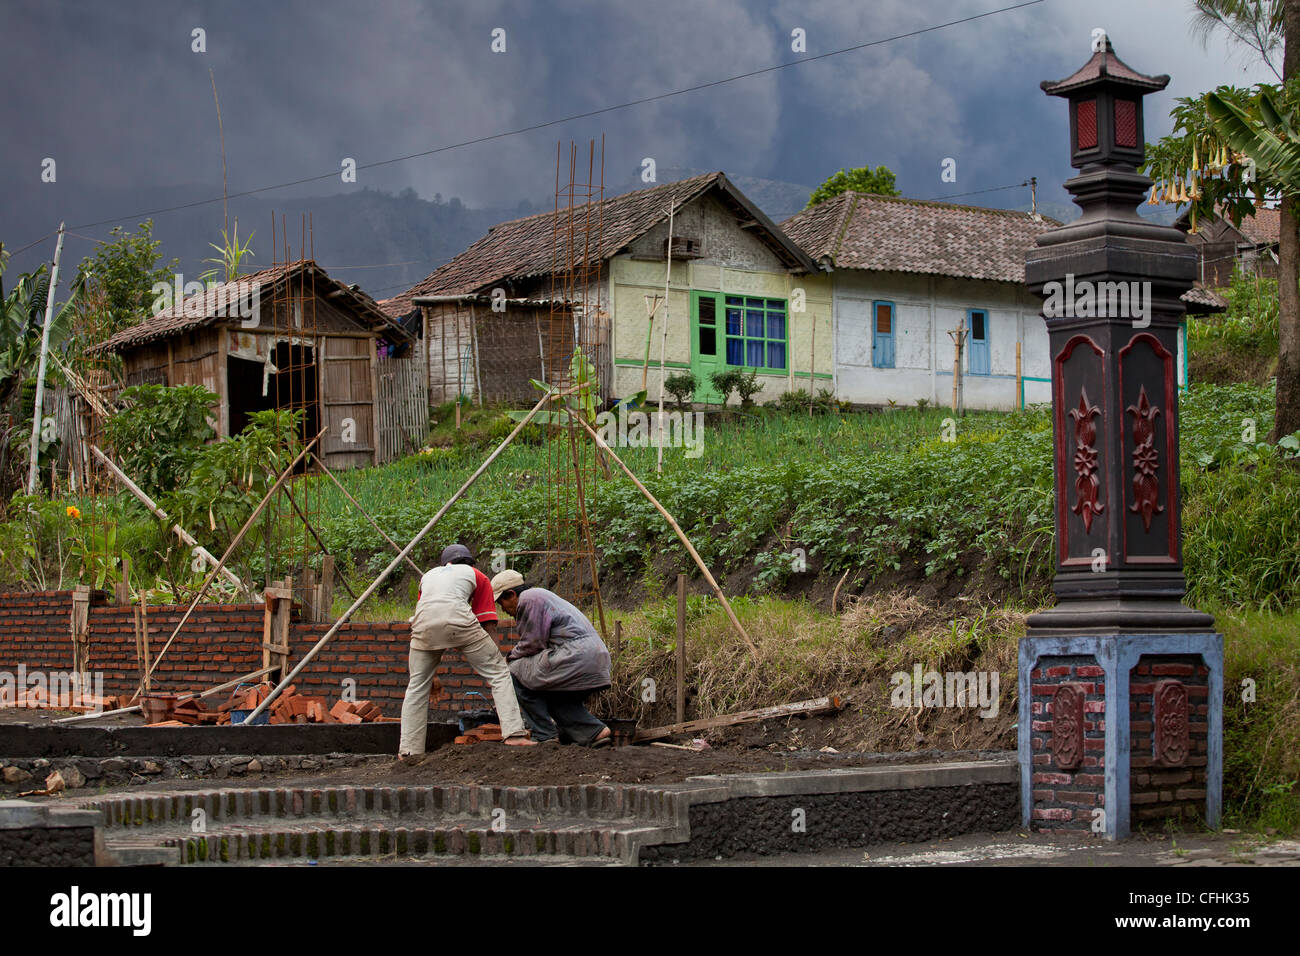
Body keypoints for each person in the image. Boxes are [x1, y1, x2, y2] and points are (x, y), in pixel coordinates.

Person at [398, 544, 535, 762]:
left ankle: (409, 750)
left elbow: (427, 617)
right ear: (470, 562)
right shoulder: (477, 576)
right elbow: (488, 622)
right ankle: (514, 735)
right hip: (458, 620)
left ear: (445, 564)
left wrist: (431, 675)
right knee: (499, 674)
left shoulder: (429, 577)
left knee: (416, 686)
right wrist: (495, 659)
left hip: (423, 627)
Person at [490, 569, 613, 747]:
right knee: (551, 693)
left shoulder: (529, 598)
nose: (503, 610)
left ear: (510, 594)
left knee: (514, 671)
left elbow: (532, 644)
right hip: (593, 658)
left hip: (575, 655)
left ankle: (545, 735)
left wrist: (508, 659)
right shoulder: (542, 596)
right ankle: (595, 732)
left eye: (502, 603)